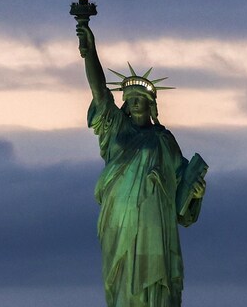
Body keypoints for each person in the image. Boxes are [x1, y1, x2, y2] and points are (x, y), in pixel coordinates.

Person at [77, 21, 206, 307]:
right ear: (123, 103)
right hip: (119, 218)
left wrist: (195, 191)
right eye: (131, 98)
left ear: (152, 105)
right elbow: (100, 92)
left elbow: (182, 187)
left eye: (142, 99)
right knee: (122, 285)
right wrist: (90, 52)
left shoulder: (164, 141)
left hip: (155, 223)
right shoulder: (116, 131)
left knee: (156, 286)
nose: (135, 102)